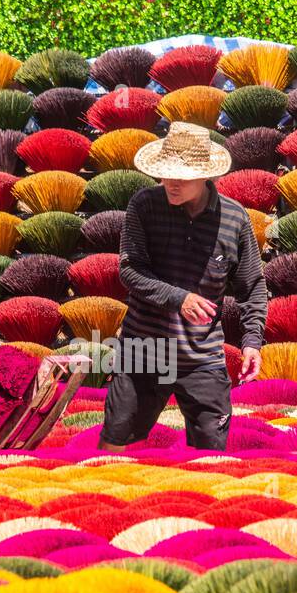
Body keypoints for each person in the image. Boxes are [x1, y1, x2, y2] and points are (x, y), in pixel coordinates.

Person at [98, 122, 267, 451]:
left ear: (207, 176)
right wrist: (179, 299)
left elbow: (252, 287)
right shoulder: (144, 205)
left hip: (202, 357)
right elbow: (130, 270)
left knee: (210, 458)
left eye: (182, 176)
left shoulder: (234, 219)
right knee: (115, 450)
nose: (170, 183)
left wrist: (251, 342)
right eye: (165, 173)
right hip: (145, 352)